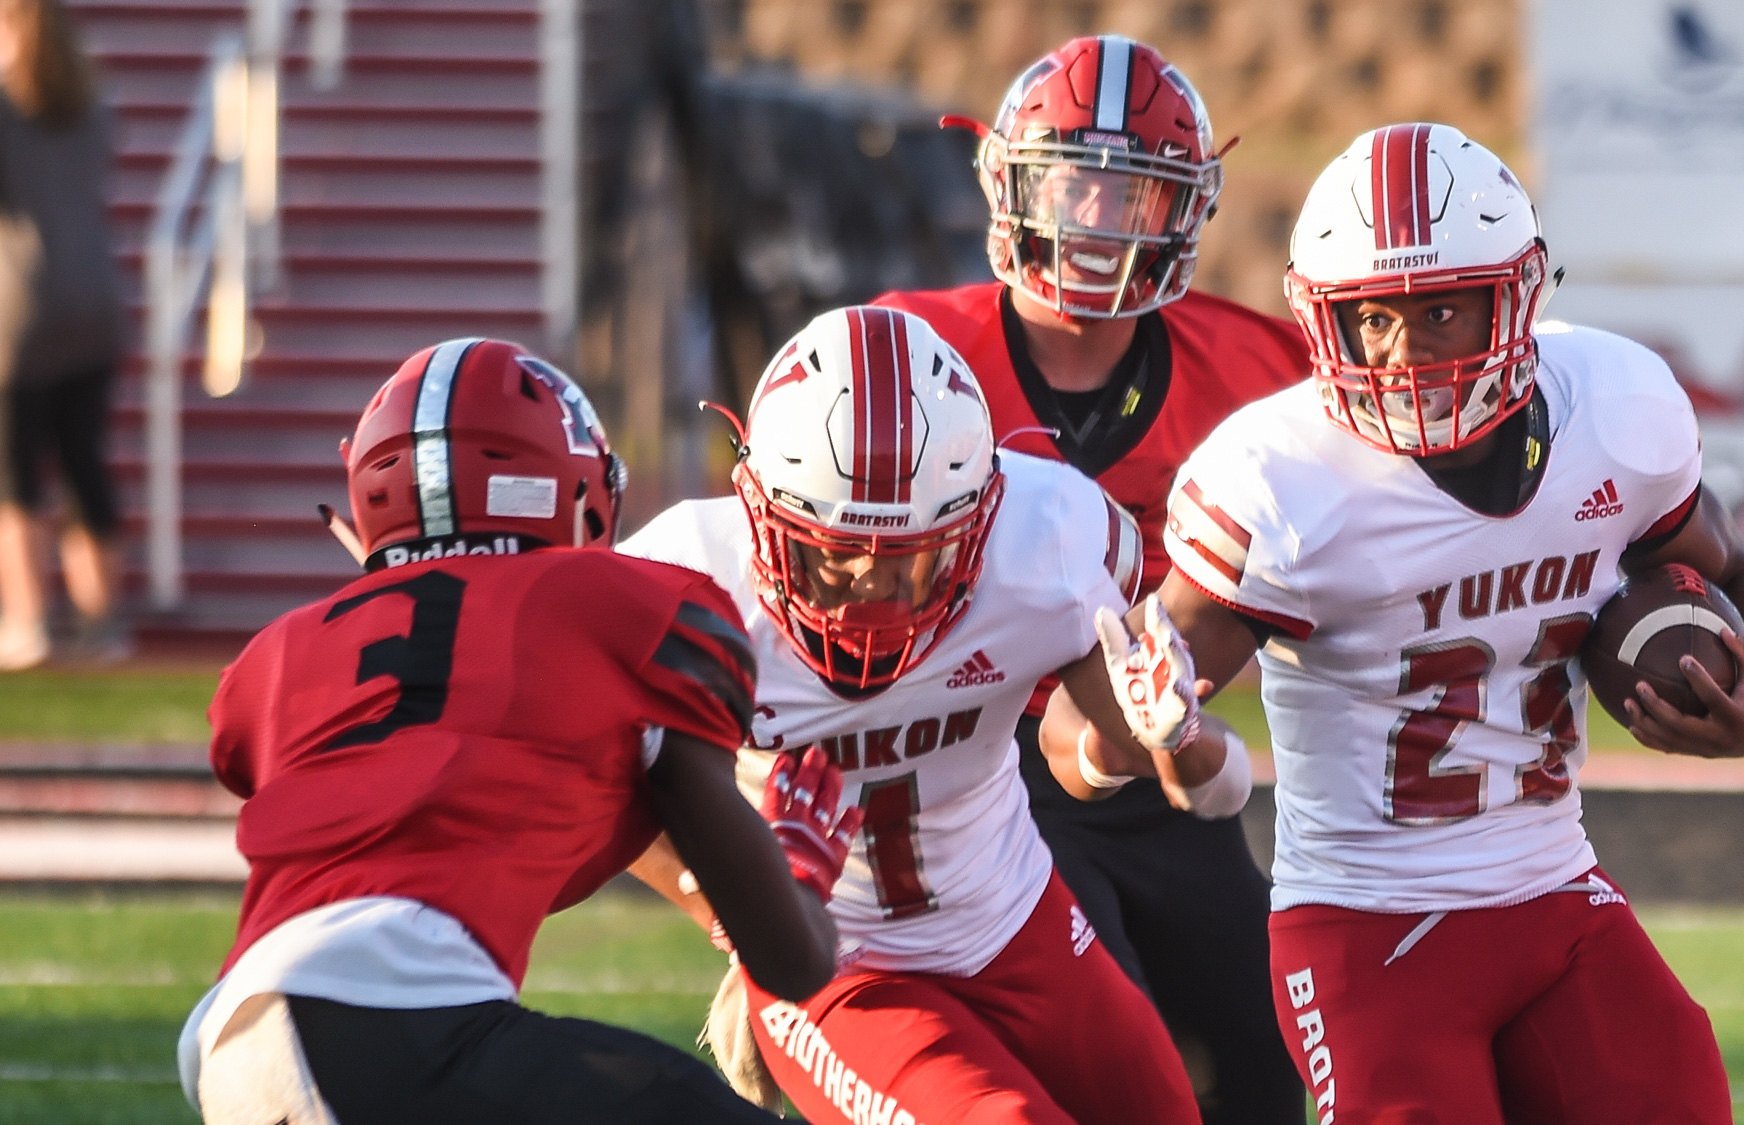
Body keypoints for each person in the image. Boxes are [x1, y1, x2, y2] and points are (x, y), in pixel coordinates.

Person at [1042, 122, 1744, 1123]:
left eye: (1440, 310)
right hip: (1369, 930)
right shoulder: (1286, 484)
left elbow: (1734, 568)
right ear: (1323, 319)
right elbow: (1075, 733)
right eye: (1372, 319)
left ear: (1516, 297)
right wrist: (1136, 733)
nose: (1404, 353)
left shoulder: (1613, 414)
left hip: (1555, 896)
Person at [176, 337, 861, 1124]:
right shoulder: (632, 609)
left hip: (238, 1040)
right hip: (389, 1022)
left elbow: (251, 746)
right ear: (574, 491)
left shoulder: (280, 651)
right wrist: (793, 874)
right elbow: (792, 961)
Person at [620, 304, 1252, 1125]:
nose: (870, 586)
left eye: (911, 556)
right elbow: (602, 795)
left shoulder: (1042, 540)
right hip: (839, 965)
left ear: (978, 520)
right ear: (763, 515)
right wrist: (746, 919)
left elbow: (1164, 770)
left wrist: (1183, 736)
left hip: (1014, 918)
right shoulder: (683, 586)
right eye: (832, 550)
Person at [869, 33, 1307, 1123]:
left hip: (1157, 757)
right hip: (974, 764)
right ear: (1010, 185)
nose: (1098, 223)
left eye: (1132, 195)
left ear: (1185, 211)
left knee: (1269, 1060)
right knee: (1114, 1061)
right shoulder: (903, 353)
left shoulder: (1259, 370)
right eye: (1074, 187)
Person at [0, 0, 128, 669]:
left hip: (20, 304)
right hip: (95, 295)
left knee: (15, 473)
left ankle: (28, 620)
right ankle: (101, 620)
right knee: (84, 464)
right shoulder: (92, 101)